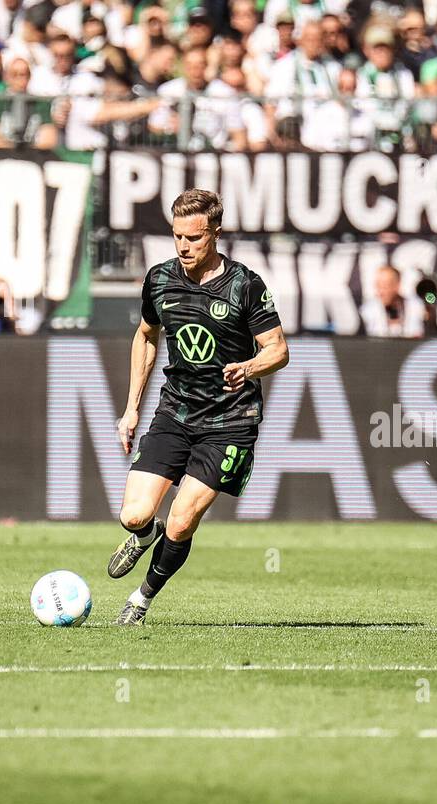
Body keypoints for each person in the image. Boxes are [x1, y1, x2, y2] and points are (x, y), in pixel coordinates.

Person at [109, 189, 289, 626]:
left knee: (182, 520)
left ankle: (142, 598)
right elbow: (147, 336)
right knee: (133, 514)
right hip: (176, 412)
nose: (185, 246)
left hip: (229, 421)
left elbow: (278, 350)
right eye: (177, 237)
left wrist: (248, 367)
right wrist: (131, 408)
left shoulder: (244, 284)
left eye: (195, 237)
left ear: (215, 234)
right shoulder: (159, 280)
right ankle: (143, 534)